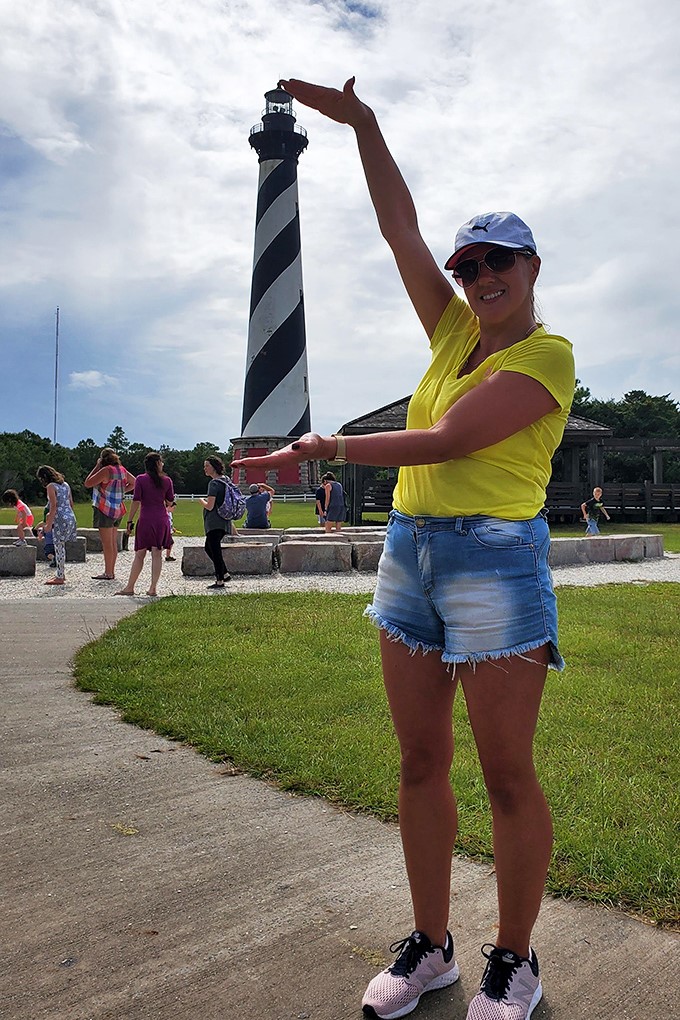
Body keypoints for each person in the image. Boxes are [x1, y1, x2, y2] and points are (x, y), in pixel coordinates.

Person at [232, 77, 575, 1020]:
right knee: (420, 761)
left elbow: (455, 440)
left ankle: (515, 959)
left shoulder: (547, 356)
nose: (480, 278)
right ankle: (433, 946)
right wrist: (364, 127)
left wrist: (327, 446)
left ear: (532, 266)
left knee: (506, 772)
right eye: (471, 266)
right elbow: (400, 230)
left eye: (499, 261)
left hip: (495, 562)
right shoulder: (454, 329)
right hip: (410, 557)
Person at [115, 452, 174, 597]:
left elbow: (136, 501)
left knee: (139, 554)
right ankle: (153, 588)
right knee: (157, 554)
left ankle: (130, 587)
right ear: (158, 464)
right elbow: (170, 502)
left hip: (146, 518)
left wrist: (130, 520)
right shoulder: (167, 481)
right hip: (161, 519)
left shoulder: (141, 479)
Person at [84, 448, 135, 580]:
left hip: (105, 509)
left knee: (107, 544)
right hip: (118, 509)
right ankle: (111, 571)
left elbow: (88, 483)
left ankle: (108, 572)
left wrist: (97, 466)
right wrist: (123, 490)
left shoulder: (106, 470)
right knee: (112, 543)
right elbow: (134, 482)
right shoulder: (122, 470)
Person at [36, 466, 78, 586]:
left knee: (59, 547)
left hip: (59, 518)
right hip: (70, 516)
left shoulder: (51, 486)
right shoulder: (65, 485)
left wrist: (48, 525)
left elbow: (53, 506)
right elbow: (70, 503)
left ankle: (60, 576)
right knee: (61, 546)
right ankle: (61, 573)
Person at [198, 456, 235, 589]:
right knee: (210, 548)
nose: (205, 468)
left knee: (214, 550)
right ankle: (224, 573)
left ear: (213, 467)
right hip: (224, 520)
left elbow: (210, 505)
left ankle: (220, 580)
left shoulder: (213, 484)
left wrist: (201, 500)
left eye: (207, 466)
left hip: (214, 522)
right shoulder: (226, 480)